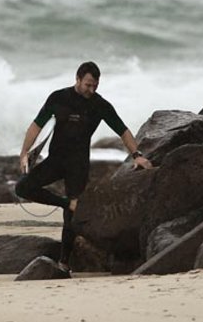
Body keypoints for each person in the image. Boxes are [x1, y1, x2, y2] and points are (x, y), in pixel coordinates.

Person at [15, 61, 152, 270]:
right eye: (88, 84)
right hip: (55, 160)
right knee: (23, 187)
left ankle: (64, 262)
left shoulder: (99, 105)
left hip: (78, 165)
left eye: (95, 86)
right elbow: (36, 125)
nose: (91, 89)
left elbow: (122, 130)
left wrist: (137, 155)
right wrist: (24, 152)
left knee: (71, 215)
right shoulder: (58, 98)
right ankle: (65, 202)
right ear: (77, 79)